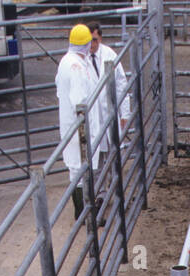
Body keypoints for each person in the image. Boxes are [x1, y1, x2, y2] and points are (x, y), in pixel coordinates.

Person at [55, 24, 102, 221]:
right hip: (79, 128)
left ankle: (85, 210)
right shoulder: (75, 66)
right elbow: (79, 100)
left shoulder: (68, 60)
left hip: (73, 125)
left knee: (79, 168)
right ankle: (84, 214)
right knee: (80, 169)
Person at [88, 20, 131, 150]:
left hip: (109, 112)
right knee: (95, 158)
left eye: (94, 40)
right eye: (88, 40)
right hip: (92, 117)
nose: (91, 44)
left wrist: (125, 113)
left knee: (113, 155)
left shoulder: (110, 55)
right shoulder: (82, 57)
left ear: (100, 38)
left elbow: (120, 84)